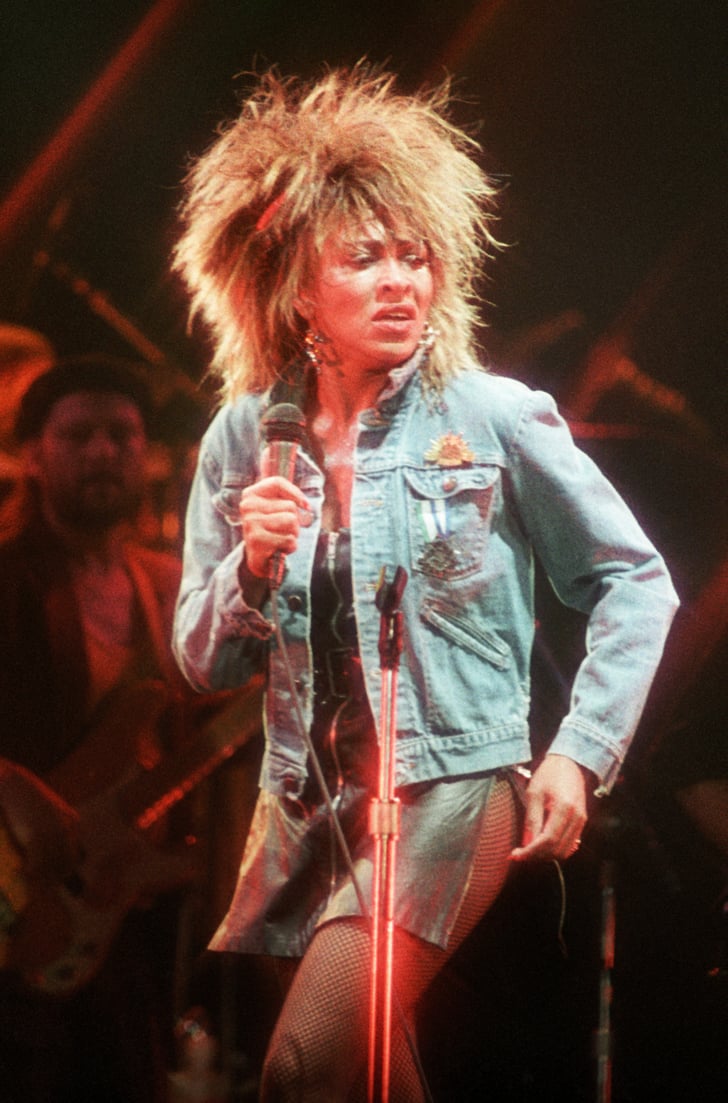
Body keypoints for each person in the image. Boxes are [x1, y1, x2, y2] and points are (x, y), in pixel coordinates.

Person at [171, 66, 679, 1101]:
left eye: (416, 256)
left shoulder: (492, 415)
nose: (401, 280)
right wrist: (250, 567)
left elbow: (634, 579)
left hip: (452, 785)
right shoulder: (244, 435)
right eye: (364, 258)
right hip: (310, 805)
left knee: (302, 1068)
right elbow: (199, 661)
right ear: (295, 287)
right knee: (373, 1076)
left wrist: (579, 751)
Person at [0, 355, 197, 1102]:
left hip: (119, 920)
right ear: (32, 456)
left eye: (122, 434)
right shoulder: (7, 575)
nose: (104, 451)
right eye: (78, 434)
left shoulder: (170, 586)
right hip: (20, 907)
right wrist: (10, 784)